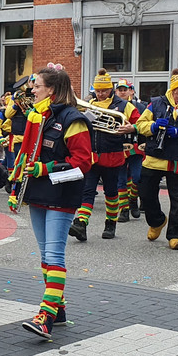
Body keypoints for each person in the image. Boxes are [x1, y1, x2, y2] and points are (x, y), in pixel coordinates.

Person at [12, 65, 93, 340]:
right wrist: (18, 185)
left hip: (61, 195)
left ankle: (45, 317)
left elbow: (83, 164)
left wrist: (45, 170)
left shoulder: (74, 119)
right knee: (45, 258)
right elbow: (29, 154)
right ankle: (59, 310)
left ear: (52, 90)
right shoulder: (40, 116)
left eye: (37, 86)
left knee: (54, 256)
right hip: (39, 194)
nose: (32, 90)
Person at [121, 70, 178, 250]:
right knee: (145, 194)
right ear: (175, 89)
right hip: (154, 159)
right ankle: (157, 221)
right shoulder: (156, 104)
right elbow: (141, 126)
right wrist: (153, 126)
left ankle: (175, 236)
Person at [68, 69, 141, 242]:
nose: (100, 94)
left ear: (111, 89)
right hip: (92, 156)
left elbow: (141, 122)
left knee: (111, 192)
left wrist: (132, 128)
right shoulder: (88, 103)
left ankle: (110, 222)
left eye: (104, 91)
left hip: (113, 156)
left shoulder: (125, 106)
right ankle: (81, 224)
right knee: (87, 191)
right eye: (98, 91)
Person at [114, 80, 146, 219]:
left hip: (136, 146)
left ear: (131, 91)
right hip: (118, 146)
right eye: (120, 89)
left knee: (138, 177)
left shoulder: (141, 107)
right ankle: (124, 209)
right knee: (120, 179)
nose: (122, 91)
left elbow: (145, 125)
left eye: (125, 89)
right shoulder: (112, 107)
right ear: (116, 92)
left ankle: (133, 199)